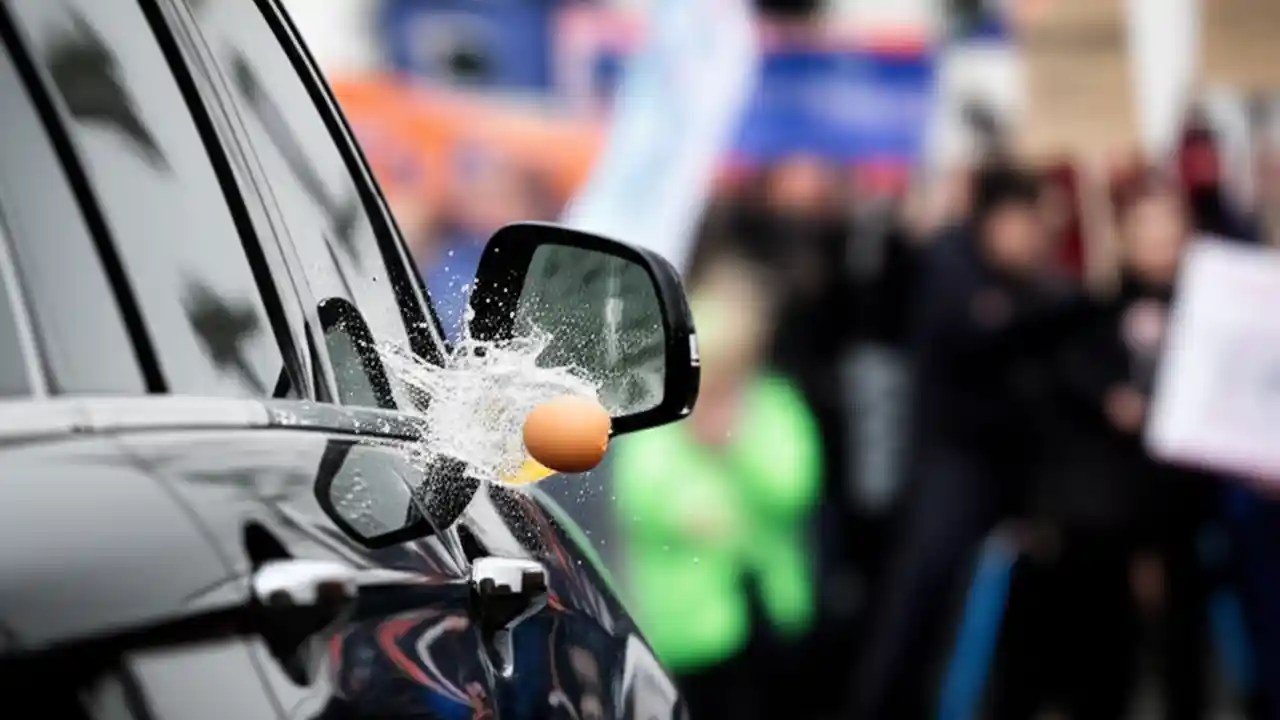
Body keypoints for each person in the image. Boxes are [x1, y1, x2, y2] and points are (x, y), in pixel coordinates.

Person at [852, 165, 1087, 718]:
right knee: (919, 598)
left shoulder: (1037, 283)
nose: (1028, 236)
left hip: (1012, 473)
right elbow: (984, 331)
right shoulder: (950, 265)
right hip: (949, 467)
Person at [996, 178, 1213, 719]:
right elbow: (1055, 375)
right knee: (1101, 650)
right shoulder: (1087, 312)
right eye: (1146, 230)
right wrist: (1108, 397)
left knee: (1183, 643)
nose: (1158, 243)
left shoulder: (1214, 312)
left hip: (1182, 505)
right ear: (1123, 237)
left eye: (1169, 230)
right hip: (1106, 511)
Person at [613, 254, 823, 720]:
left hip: (767, 611)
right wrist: (690, 513)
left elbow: (795, 486)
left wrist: (736, 445)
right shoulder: (657, 415)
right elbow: (638, 495)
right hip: (688, 624)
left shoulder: (773, 404)